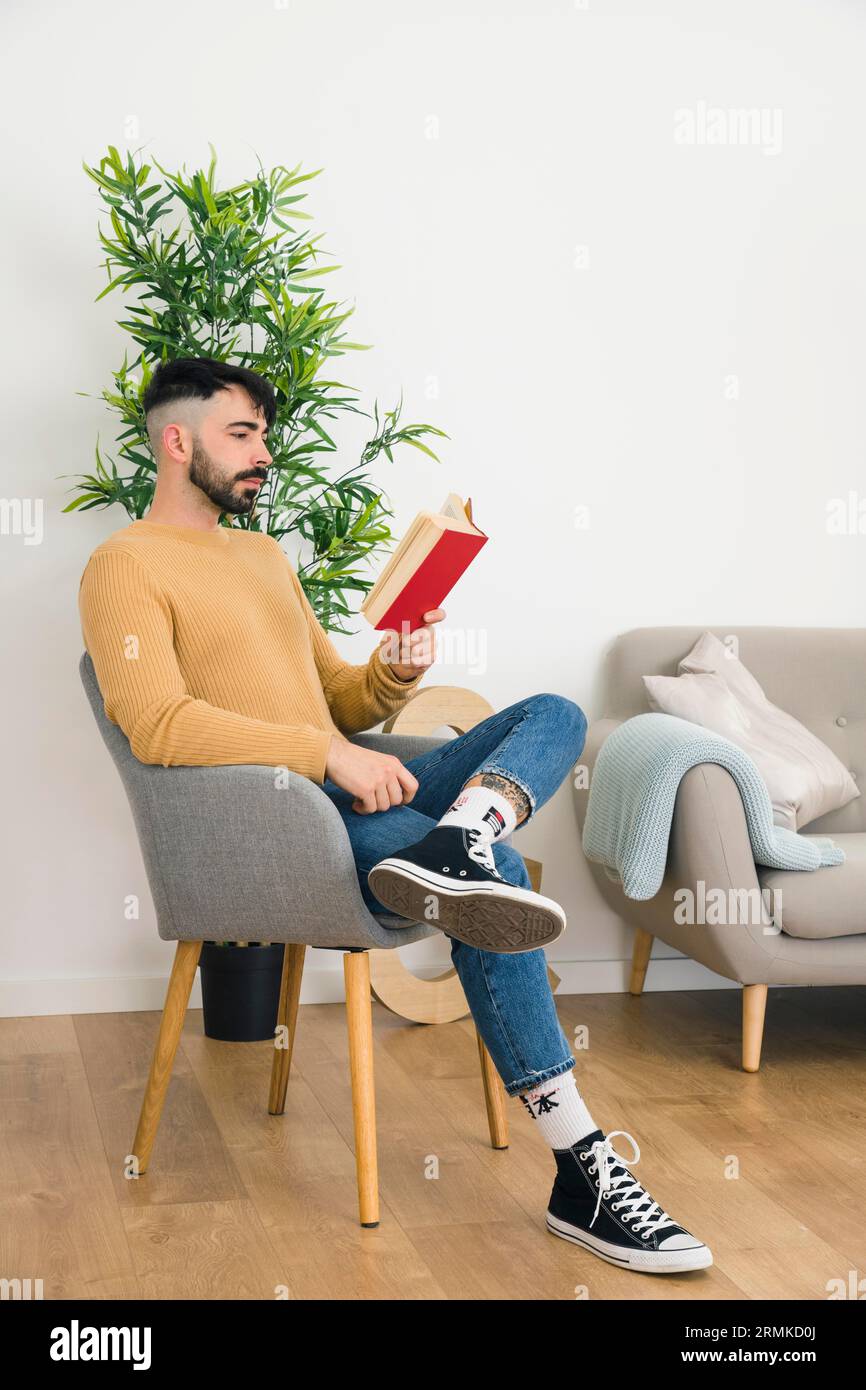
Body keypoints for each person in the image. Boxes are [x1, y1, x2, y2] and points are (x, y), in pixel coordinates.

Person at [78, 356, 712, 1275]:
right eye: (242, 434)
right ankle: (584, 1165)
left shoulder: (261, 556)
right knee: (491, 886)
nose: (264, 454)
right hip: (285, 820)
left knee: (554, 714)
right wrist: (327, 756)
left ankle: (461, 836)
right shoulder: (121, 566)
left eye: (263, 434)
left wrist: (398, 668)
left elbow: (339, 699)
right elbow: (160, 725)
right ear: (178, 443)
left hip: (352, 789)